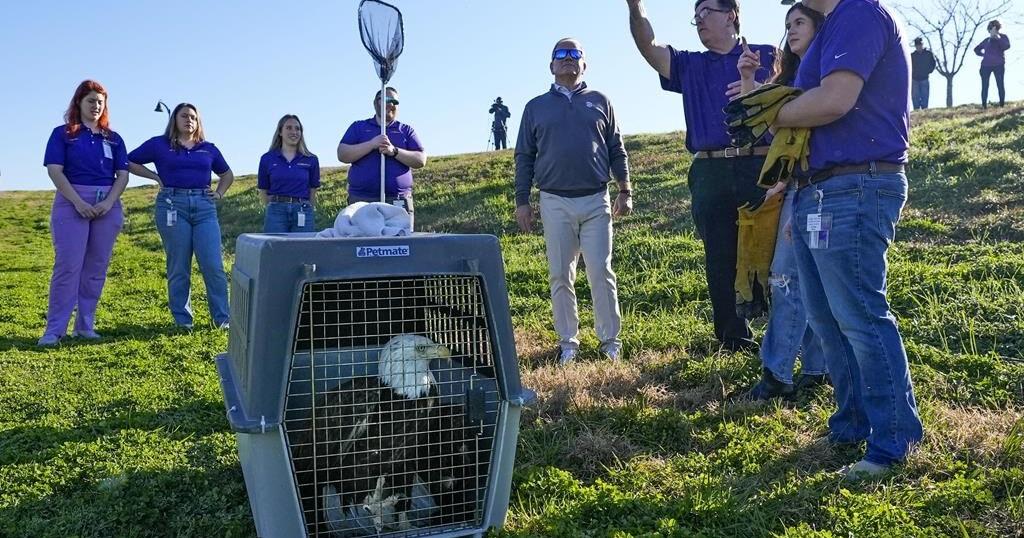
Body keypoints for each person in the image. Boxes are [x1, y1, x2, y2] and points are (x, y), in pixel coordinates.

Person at [762, 0, 924, 479]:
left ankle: (894, 441)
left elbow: (834, 100)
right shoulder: (834, 25)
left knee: (858, 315)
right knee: (827, 318)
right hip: (821, 189)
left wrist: (773, 115)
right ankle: (852, 425)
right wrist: (799, 190)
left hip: (855, 185)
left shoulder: (859, 13)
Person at [627, 0, 776, 351]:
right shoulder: (689, 64)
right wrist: (636, 7)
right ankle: (734, 339)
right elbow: (648, 47)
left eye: (706, 10)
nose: (698, 20)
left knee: (775, 254)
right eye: (695, 15)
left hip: (761, 163)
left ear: (731, 15)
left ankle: (784, 337)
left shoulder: (769, 55)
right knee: (720, 255)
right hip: (710, 168)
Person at [731, 2, 829, 399]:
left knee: (795, 277)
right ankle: (812, 367)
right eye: (787, 23)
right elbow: (766, 126)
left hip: (821, 193)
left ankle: (780, 373)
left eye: (800, 21)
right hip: (797, 191)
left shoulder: (830, 76)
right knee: (797, 276)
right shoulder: (792, 78)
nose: (791, 29)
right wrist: (749, 78)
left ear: (820, 26)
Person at [514, 38, 632, 365]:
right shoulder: (535, 107)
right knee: (560, 275)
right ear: (551, 66)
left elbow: (616, 149)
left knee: (600, 271)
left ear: (584, 63)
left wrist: (625, 190)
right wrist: (522, 200)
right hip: (554, 201)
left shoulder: (600, 101)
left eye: (574, 54)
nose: (567, 59)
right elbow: (524, 156)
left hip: (596, 199)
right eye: (560, 55)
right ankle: (569, 343)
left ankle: (610, 343)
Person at [38, 80, 130, 346]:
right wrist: (78, 202)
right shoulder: (63, 134)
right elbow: (55, 170)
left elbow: (122, 176)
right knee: (68, 266)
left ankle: (85, 325)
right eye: (91, 101)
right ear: (79, 102)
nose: (96, 106)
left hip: (106, 205)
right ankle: (55, 329)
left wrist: (109, 202)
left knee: (96, 268)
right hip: (71, 202)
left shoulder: (113, 139)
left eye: (101, 102)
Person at [128, 103, 234, 329]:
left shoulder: (208, 148)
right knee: (179, 265)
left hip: (204, 207)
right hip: (171, 205)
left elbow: (227, 174)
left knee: (213, 264)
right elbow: (129, 161)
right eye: (184, 116)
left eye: (193, 117)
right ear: (174, 119)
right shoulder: (159, 144)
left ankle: (223, 318)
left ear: (198, 122)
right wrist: (155, 177)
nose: (189, 120)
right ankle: (183, 320)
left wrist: (219, 193)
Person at [337, 87, 426, 227]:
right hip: (362, 200)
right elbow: (342, 154)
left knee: (399, 246)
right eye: (386, 99)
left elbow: (420, 160)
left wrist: (394, 151)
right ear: (375, 103)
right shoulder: (359, 127)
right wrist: (372, 144)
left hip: (397, 201)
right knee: (363, 245)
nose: (391, 104)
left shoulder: (406, 130)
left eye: (395, 101)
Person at [258, 115, 320, 233]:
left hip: (303, 210)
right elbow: (263, 189)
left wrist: (308, 208)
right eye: (289, 128)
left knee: (303, 249)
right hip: (276, 212)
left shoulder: (311, 159)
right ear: (280, 132)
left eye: (297, 129)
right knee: (276, 249)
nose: (294, 132)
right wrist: (274, 206)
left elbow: (313, 190)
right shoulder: (267, 159)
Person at [975, 20, 1010, 108]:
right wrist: (983, 55)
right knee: (985, 86)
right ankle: (984, 106)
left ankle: (1002, 105)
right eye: (991, 29)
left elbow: (1007, 46)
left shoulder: (1003, 37)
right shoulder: (987, 40)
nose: (993, 30)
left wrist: (998, 38)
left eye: (995, 29)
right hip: (985, 66)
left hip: (999, 65)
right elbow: (976, 49)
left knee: (1000, 84)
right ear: (989, 30)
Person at [910, 37, 937, 110]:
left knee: (925, 96)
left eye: (920, 45)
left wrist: (928, 71)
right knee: (915, 97)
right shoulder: (912, 56)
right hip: (914, 79)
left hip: (924, 78)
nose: (919, 46)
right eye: (917, 45)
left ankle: (925, 110)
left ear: (922, 45)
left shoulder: (928, 54)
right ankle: (916, 110)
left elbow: (933, 63)